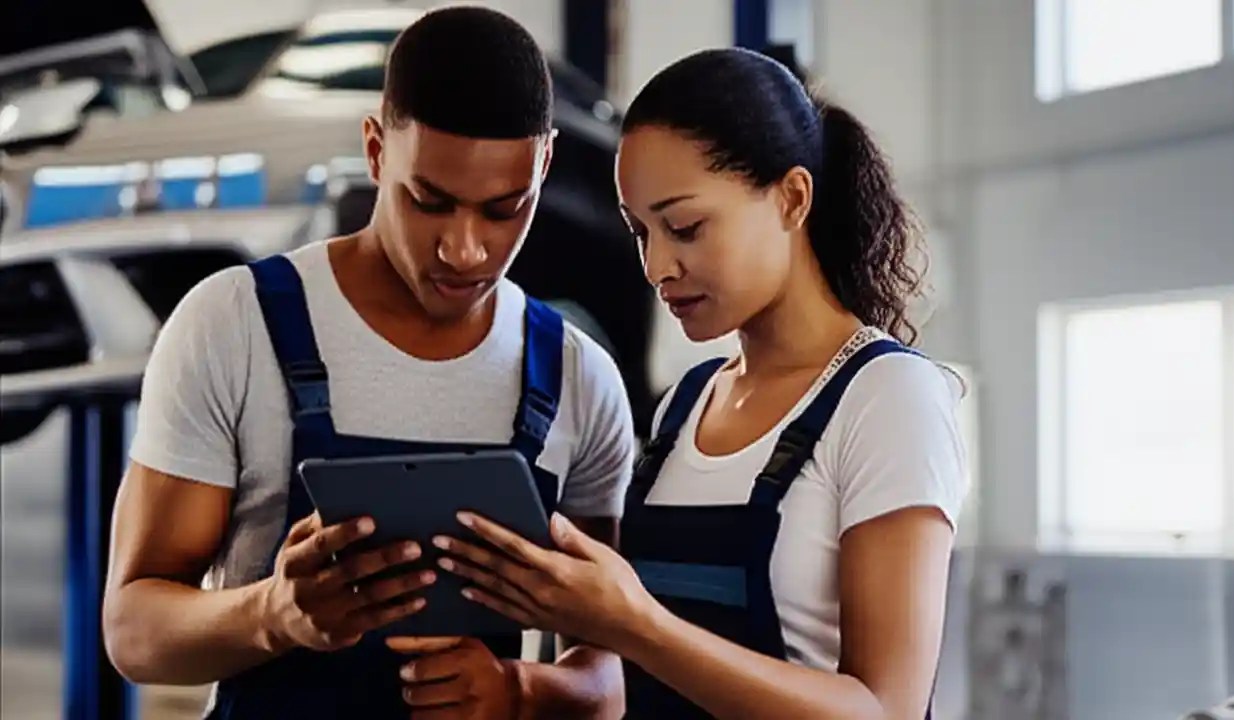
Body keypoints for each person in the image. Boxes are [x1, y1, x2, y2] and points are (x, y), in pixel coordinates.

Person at [101, 7, 632, 719]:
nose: (466, 249)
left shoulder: (578, 379)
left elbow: (609, 669)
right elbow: (134, 631)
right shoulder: (234, 325)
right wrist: (271, 614)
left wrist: (522, 691)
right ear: (377, 151)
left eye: (505, 209)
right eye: (430, 202)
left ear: (545, 165)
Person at [432, 47, 968, 719]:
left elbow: (883, 709)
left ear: (791, 198)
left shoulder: (887, 399)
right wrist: (522, 684)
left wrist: (635, 626)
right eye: (640, 233)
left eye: (685, 227)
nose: (658, 266)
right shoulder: (685, 408)